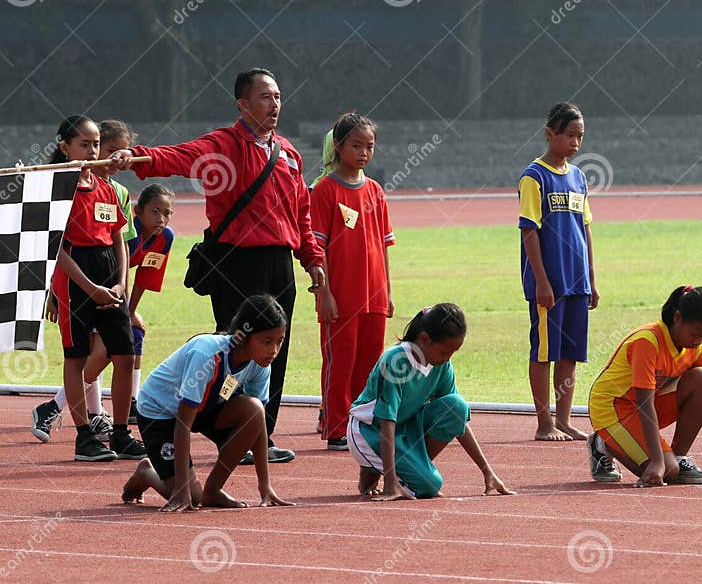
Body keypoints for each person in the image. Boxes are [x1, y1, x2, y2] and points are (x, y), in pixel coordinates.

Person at [109, 68, 326, 463]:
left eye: (277, 96)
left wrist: (311, 259)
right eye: (264, 97)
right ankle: (230, 433)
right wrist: (136, 158)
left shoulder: (290, 154)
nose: (274, 104)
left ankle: (262, 433)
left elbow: (302, 214)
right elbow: (178, 156)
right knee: (235, 351)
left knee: (274, 349)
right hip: (237, 263)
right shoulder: (223, 145)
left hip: (280, 264)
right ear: (243, 104)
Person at [122, 294, 293, 511]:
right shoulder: (206, 355)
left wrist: (265, 487)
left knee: (254, 410)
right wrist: (181, 491)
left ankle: (213, 490)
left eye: (279, 341)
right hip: (162, 411)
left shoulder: (261, 365)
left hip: (205, 407)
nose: (274, 350)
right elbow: (182, 423)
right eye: (267, 341)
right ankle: (147, 472)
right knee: (191, 498)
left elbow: (259, 427)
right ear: (244, 336)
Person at [587, 286, 702, 486]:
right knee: (668, 470)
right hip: (613, 409)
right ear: (677, 317)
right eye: (695, 334)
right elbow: (644, 403)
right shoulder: (647, 342)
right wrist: (658, 463)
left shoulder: (696, 348)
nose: (699, 341)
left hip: (647, 405)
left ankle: (678, 456)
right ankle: (604, 443)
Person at [48, 115, 144, 461]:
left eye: (95, 145)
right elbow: (55, 248)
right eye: (84, 145)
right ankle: (84, 436)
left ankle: (120, 433)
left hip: (109, 276)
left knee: (124, 353)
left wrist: (120, 282)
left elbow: (119, 238)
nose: (92, 152)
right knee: (75, 356)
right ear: (65, 148)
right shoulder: (58, 191)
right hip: (76, 280)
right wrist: (89, 288)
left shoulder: (106, 189)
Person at [347, 304, 514, 500]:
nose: (447, 359)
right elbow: (386, 421)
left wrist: (487, 471)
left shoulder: (440, 364)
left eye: (453, 353)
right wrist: (390, 483)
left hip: (407, 426)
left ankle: (407, 470)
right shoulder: (396, 362)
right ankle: (378, 470)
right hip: (370, 431)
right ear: (425, 339)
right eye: (444, 352)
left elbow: (456, 417)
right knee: (429, 486)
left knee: (457, 405)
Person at [311, 112, 395, 450]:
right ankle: (335, 429)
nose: (363, 152)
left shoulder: (375, 191)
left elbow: (384, 246)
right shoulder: (324, 190)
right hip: (341, 297)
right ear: (339, 146)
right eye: (356, 145)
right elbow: (316, 249)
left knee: (370, 366)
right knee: (339, 363)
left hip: (373, 296)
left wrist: (386, 292)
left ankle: (360, 427)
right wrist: (324, 293)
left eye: (369, 146)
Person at [518, 102, 599, 442]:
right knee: (544, 351)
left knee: (570, 352)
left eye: (580, 137)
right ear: (550, 133)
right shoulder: (534, 177)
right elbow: (529, 230)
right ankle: (543, 421)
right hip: (550, 283)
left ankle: (564, 418)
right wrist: (541, 280)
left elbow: (586, 228)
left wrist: (592, 278)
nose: (575, 143)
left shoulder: (579, 177)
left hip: (577, 281)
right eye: (569, 135)